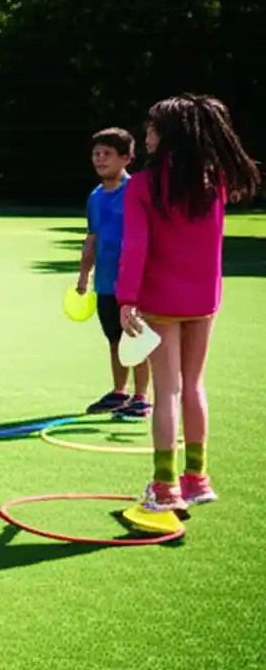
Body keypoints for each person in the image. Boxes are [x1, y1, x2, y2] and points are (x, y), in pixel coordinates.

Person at [117, 94, 259, 512]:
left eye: (153, 128)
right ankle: (196, 479)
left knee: (167, 392)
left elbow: (135, 246)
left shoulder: (142, 184)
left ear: (170, 135)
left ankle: (165, 487)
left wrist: (126, 299)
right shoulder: (211, 181)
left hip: (161, 301)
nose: (147, 135)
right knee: (193, 385)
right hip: (203, 299)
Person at [75, 128, 152, 419]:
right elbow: (92, 238)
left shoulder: (135, 191)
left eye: (107, 154)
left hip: (134, 282)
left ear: (126, 158)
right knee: (115, 339)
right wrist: (84, 275)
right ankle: (119, 392)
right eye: (96, 154)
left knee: (137, 338)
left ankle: (141, 397)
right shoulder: (95, 197)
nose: (99, 159)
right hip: (105, 282)